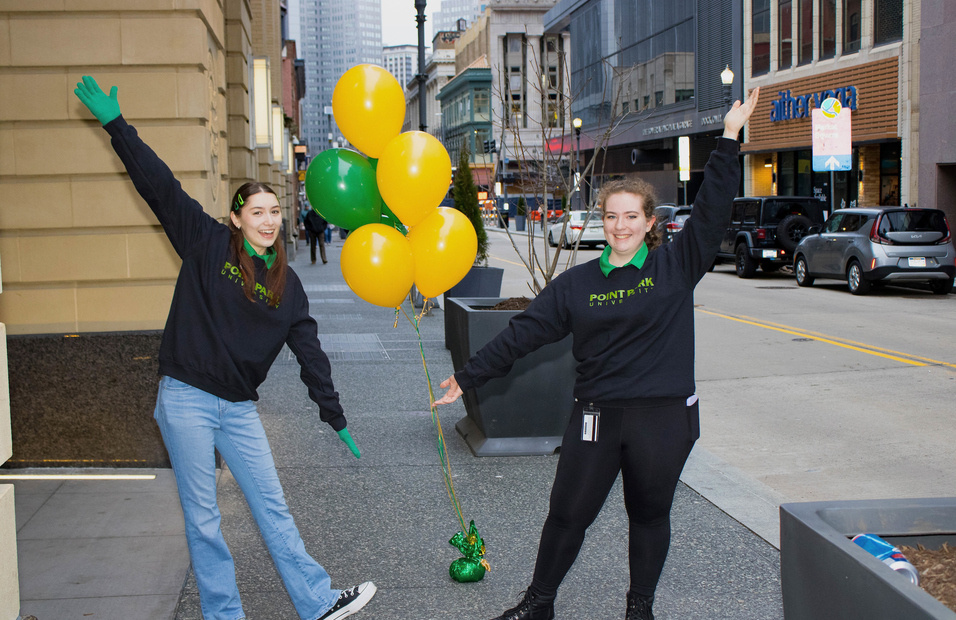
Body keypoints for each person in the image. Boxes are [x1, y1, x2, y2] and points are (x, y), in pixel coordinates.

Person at [434, 88, 761, 620]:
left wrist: (728, 137)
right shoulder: (578, 284)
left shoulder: (676, 266)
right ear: (601, 221)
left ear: (650, 222)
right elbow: (525, 333)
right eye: (612, 216)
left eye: (631, 216)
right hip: (597, 415)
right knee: (566, 514)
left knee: (649, 515)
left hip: (662, 418)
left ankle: (639, 609)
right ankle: (538, 604)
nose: (621, 226)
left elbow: (711, 211)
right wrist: (469, 376)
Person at [74, 76, 376, 620]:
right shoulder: (205, 241)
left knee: (272, 507)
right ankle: (223, 615)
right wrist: (118, 127)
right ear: (236, 219)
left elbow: (310, 353)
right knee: (204, 519)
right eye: (257, 212)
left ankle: (316, 603)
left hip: (237, 408)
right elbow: (160, 186)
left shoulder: (288, 285)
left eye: (274, 212)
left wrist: (334, 414)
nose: (269, 220)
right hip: (186, 399)